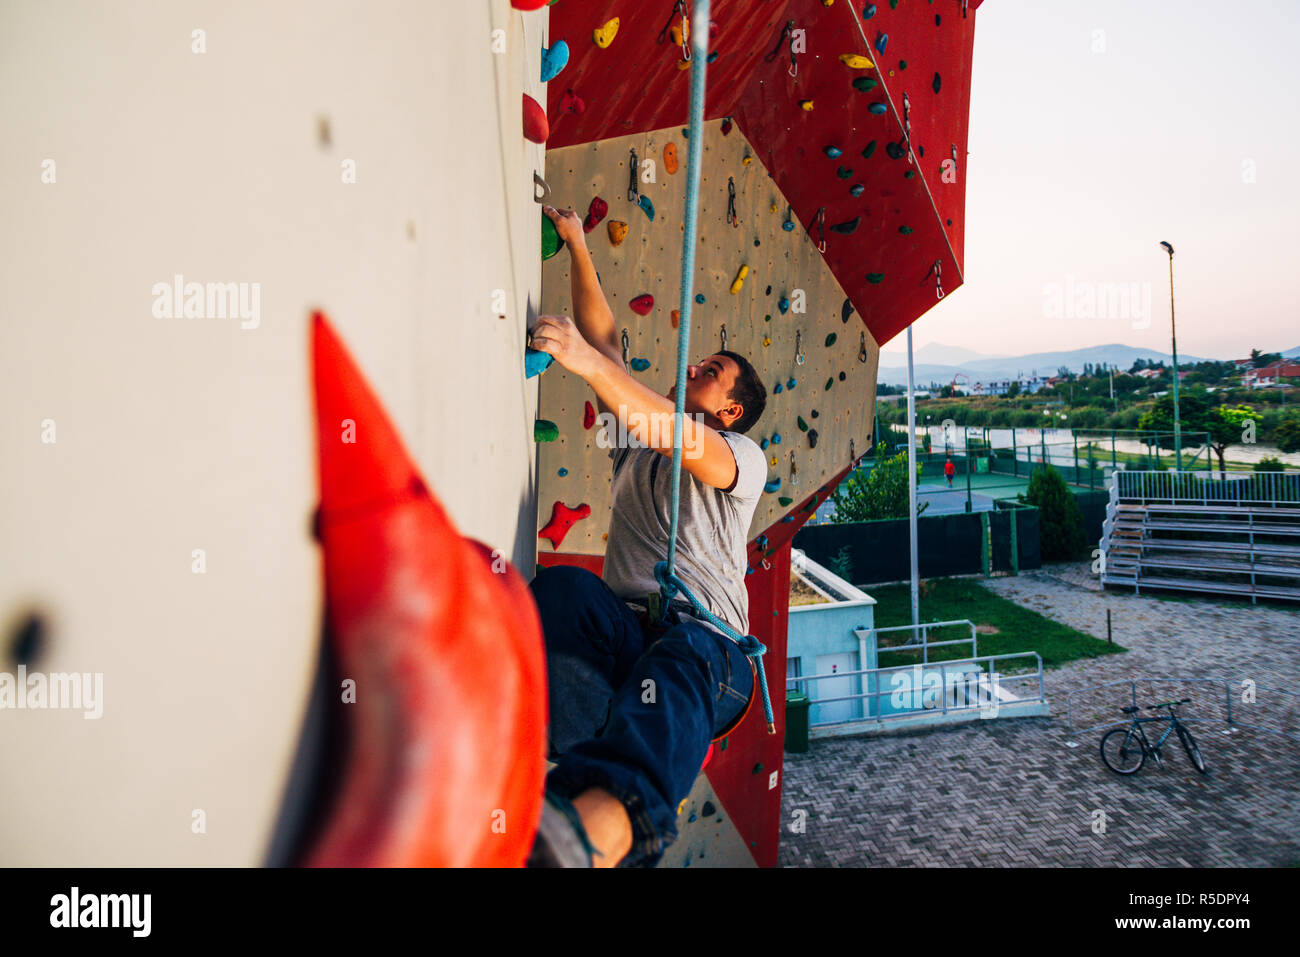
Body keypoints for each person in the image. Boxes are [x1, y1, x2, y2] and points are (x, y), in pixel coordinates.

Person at [523, 205, 768, 868]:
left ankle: (600, 835)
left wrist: (586, 364)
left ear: (732, 409)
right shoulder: (639, 446)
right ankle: (565, 778)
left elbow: (676, 431)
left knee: (683, 650)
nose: (695, 367)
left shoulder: (741, 457)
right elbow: (606, 349)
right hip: (628, 638)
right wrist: (577, 243)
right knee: (565, 591)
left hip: (714, 655)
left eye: (712, 370)